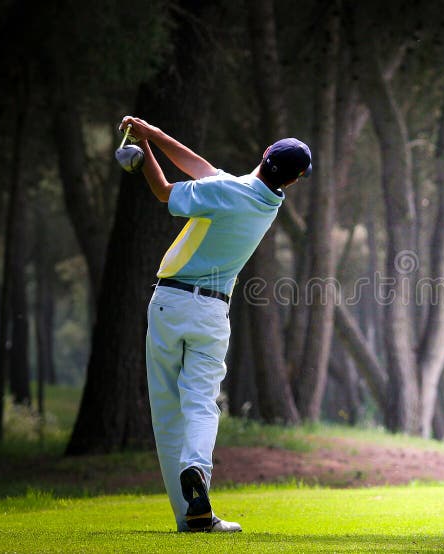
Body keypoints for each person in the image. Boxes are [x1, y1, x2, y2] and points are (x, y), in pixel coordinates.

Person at [119, 115, 311, 533]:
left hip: (170, 302)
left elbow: (164, 191)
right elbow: (201, 168)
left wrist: (144, 148)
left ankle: (187, 515)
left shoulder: (227, 190)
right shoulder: (267, 202)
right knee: (202, 403)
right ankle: (197, 473)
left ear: (265, 154)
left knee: (167, 412)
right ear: (293, 181)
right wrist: (153, 134)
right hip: (212, 312)